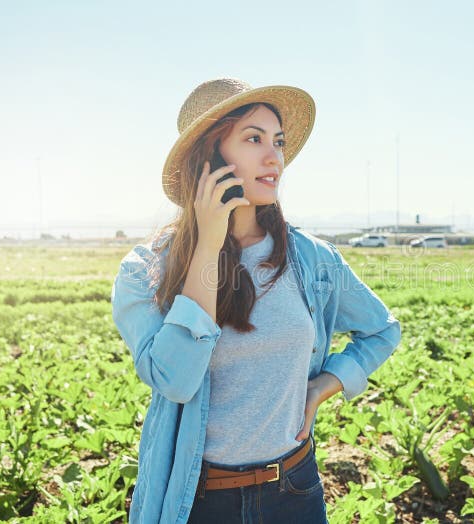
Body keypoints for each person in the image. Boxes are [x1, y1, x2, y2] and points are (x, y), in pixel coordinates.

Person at [110, 77, 401, 524]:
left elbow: (382, 330)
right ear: (209, 157)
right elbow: (176, 381)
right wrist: (208, 245)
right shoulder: (145, 271)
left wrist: (322, 387)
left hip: (294, 489)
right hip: (200, 502)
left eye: (278, 142)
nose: (275, 157)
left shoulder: (311, 258)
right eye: (253, 139)